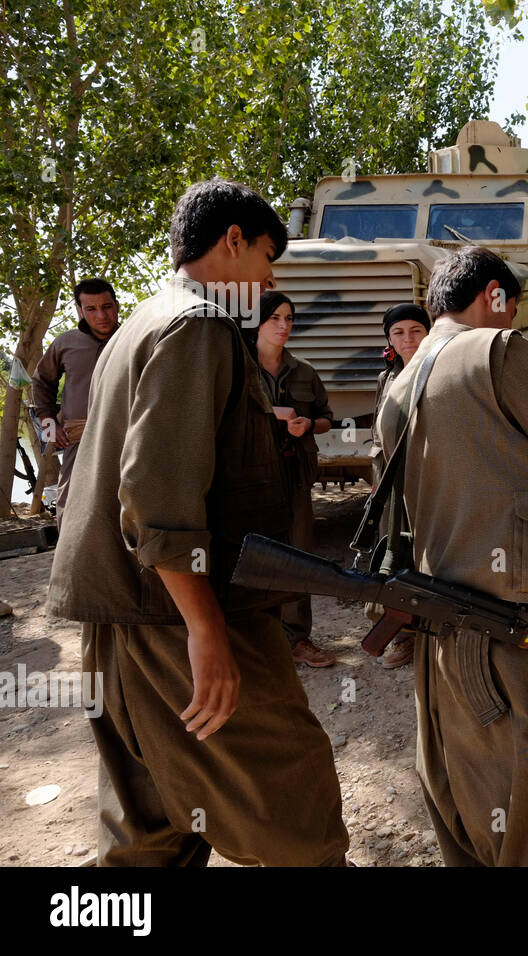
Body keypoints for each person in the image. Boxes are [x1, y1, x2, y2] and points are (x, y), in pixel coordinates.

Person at [44, 178, 348, 866]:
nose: (271, 277)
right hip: (178, 617)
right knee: (293, 795)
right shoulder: (196, 325)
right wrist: (208, 633)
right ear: (233, 241)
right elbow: (155, 495)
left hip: (127, 616)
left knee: (151, 828)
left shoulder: (145, 319)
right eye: (268, 256)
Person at [375, 245, 528, 866]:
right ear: (493, 296)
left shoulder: (402, 383)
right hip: (522, 634)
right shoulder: (495, 352)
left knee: (472, 802)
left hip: (442, 632)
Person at [251, 291, 335, 668]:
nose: (283, 326)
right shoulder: (238, 369)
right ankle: (258, 640)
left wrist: (307, 425)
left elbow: (326, 417)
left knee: (299, 555)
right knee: (253, 555)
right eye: (274, 318)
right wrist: (270, 414)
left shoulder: (304, 371)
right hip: (249, 478)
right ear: (257, 322)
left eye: (289, 318)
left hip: (295, 474)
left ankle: (298, 638)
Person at [369, 302, 431, 669]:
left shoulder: (438, 371)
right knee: (395, 555)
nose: (408, 340)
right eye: (398, 333)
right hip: (391, 483)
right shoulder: (386, 379)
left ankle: (430, 628)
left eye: (416, 331)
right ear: (389, 339)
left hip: (429, 481)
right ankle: (403, 636)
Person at [31, 277, 121, 527]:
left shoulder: (133, 339)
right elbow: (41, 382)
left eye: (107, 306)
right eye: (91, 309)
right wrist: (49, 425)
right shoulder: (65, 343)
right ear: (80, 311)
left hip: (126, 437)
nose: (101, 315)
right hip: (77, 439)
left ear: (117, 305)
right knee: (71, 505)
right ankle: (72, 562)